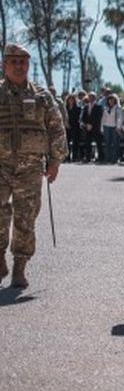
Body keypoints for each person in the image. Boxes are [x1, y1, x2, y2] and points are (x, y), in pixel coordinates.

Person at [0, 43, 66, 288]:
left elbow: (56, 127)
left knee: (26, 217)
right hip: (0, 165)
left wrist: (56, 160)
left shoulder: (41, 96)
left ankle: (20, 265)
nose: (19, 66)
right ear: (4, 64)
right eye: (13, 61)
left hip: (30, 168)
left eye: (23, 62)